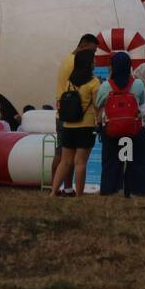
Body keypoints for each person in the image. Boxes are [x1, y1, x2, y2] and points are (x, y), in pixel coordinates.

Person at [97, 50, 145, 198]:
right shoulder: (138, 84)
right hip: (134, 130)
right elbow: (141, 103)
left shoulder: (105, 86)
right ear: (129, 66)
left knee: (111, 162)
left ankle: (110, 190)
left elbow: (99, 104)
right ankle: (138, 191)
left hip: (112, 131)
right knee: (137, 160)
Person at [51, 48, 101, 198]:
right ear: (89, 63)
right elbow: (97, 104)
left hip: (68, 126)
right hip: (85, 126)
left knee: (65, 162)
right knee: (80, 163)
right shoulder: (94, 82)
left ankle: (53, 192)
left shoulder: (69, 82)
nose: (95, 62)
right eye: (93, 60)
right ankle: (79, 195)